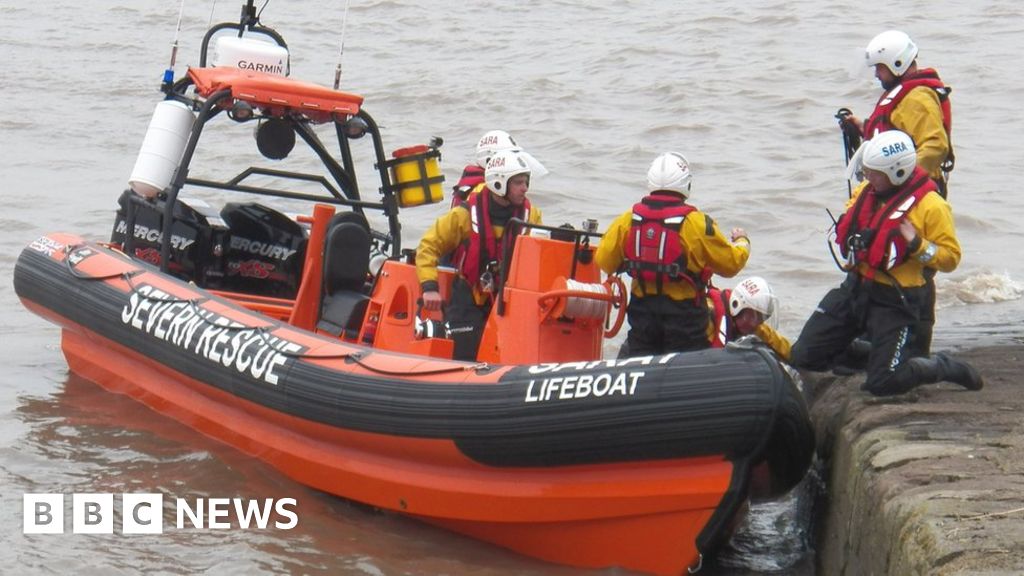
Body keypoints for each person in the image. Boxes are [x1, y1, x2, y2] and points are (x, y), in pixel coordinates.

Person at [789, 131, 982, 396]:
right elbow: (849, 222)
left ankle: (940, 366)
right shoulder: (864, 192)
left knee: (883, 384)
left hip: (894, 301)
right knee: (804, 355)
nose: (868, 177)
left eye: (875, 173)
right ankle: (874, 354)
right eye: (867, 170)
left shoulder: (932, 206)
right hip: (855, 289)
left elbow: (951, 258)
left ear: (897, 173)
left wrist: (917, 245)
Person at [842, 30, 954, 358]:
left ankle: (916, 344)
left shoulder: (918, 98)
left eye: (880, 68)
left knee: (917, 264)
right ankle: (884, 338)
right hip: (894, 192)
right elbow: (895, 135)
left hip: (914, 196)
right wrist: (863, 127)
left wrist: (898, 181)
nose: (877, 74)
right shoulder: (904, 96)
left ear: (898, 63)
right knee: (883, 258)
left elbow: (935, 146)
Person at [595, 152, 751, 357]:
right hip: (686, 325)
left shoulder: (627, 220)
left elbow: (604, 261)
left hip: (643, 323)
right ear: (686, 184)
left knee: (639, 354)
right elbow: (731, 264)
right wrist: (742, 241)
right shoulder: (698, 223)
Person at [416, 148, 543, 360]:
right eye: (518, 182)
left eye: (526, 182)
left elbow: (538, 257)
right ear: (499, 183)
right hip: (469, 298)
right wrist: (429, 288)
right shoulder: (464, 215)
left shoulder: (532, 216)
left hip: (509, 300)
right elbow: (428, 246)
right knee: (464, 351)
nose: (525, 188)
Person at [707, 276, 790, 361]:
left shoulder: (754, 327)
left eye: (761, 318)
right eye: (752, 315)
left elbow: (783, 347)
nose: (754, 323)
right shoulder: (707, 318)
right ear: (736, 305)